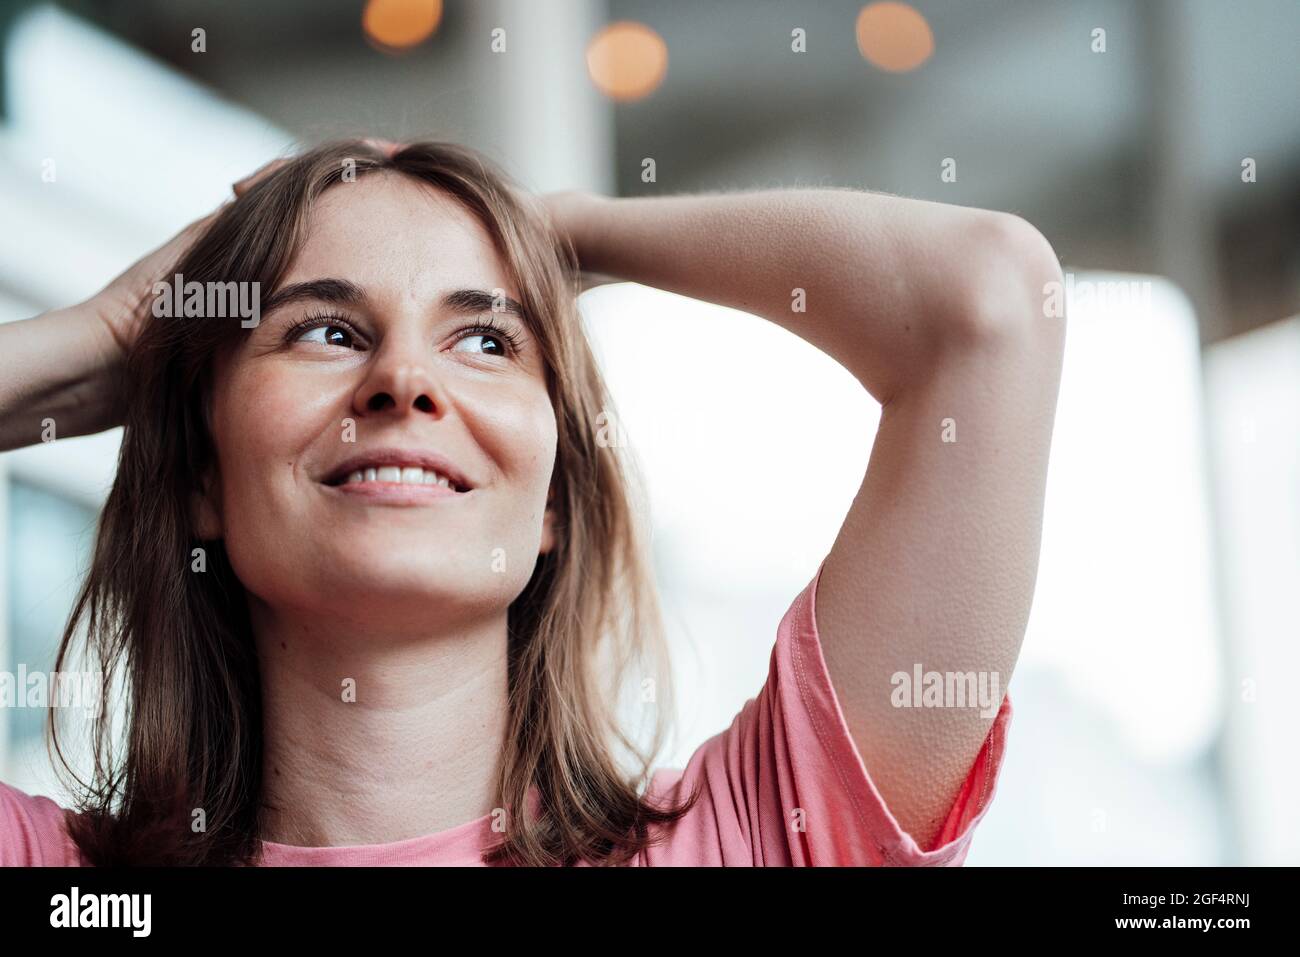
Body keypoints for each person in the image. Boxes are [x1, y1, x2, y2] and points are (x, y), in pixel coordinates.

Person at [0, 138, 1065, 865]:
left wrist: (561, 233)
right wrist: (90, 344)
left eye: (485, 339)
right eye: (325, 329)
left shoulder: (740, 842)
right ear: (200, 480)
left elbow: (991, 296)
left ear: (552, 494)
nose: (405, 382)